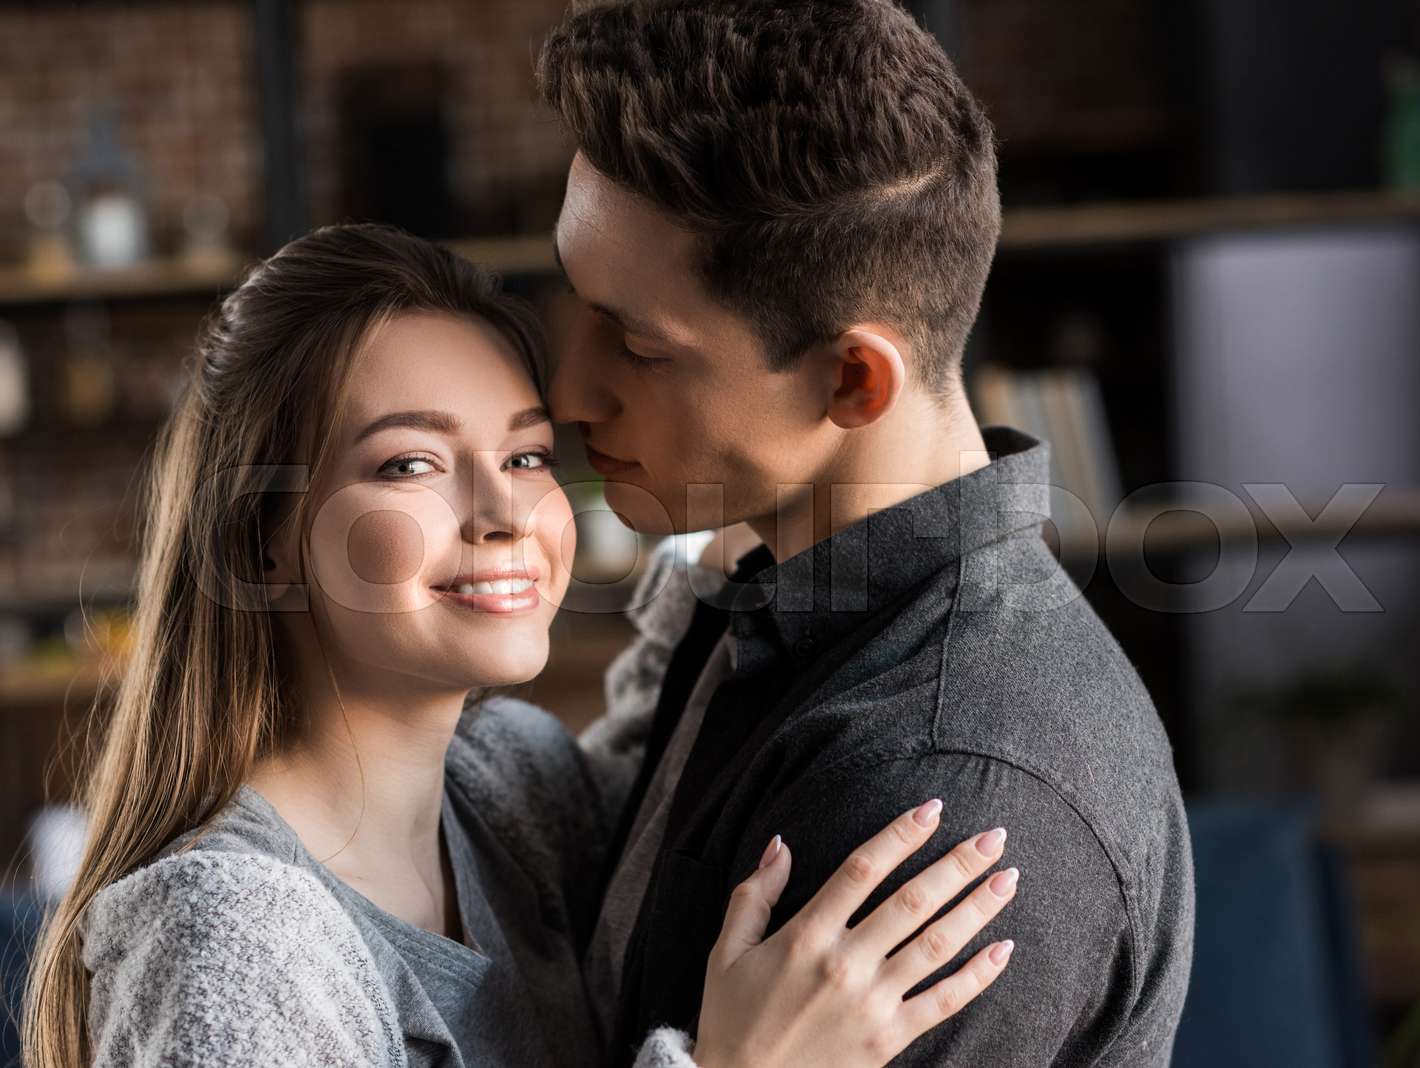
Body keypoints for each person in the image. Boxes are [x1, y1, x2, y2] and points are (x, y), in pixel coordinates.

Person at [20, 223, 1021, 1068]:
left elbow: (660, 747)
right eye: (410, 462)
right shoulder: (229, 936)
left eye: (526, 454)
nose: (504, 511)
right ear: (264, 543)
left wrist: (754, 532)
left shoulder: (510, 792)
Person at [537, 1, 1195, 1063]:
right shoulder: (772, 592)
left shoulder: (939, 798)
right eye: (578, 306)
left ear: (850, 378)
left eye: (635, 344)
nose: (569, 392)